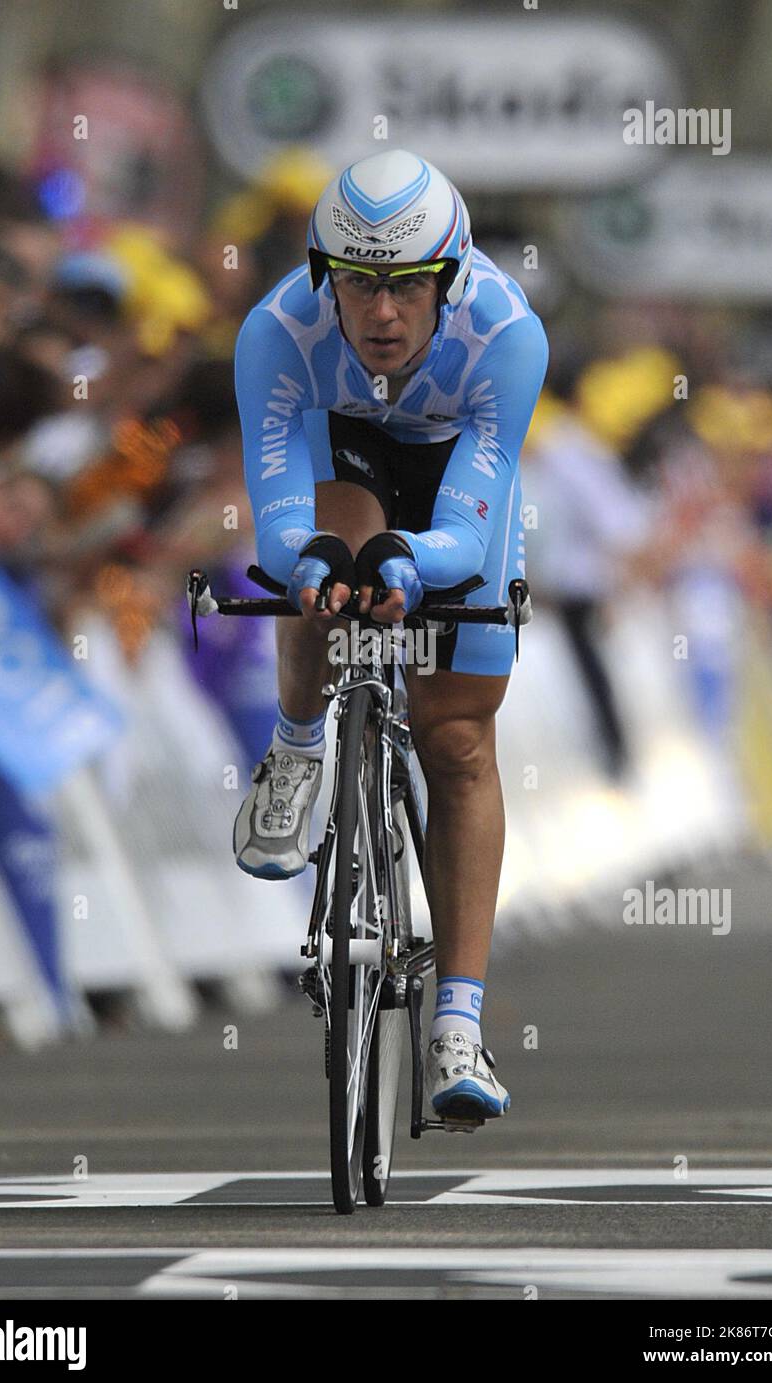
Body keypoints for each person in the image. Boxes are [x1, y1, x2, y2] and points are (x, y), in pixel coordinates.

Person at [232, 149, 548, 1122]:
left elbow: (465, 523)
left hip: (458, 478)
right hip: (347, 456)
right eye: (358, 285)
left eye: (406, 287)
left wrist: (418, 562)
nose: (379, 314)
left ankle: (457, 1021)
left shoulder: (505, 334)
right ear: (324, 277)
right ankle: (295, 749)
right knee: (325, 563)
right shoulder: (276, 333)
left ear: (446, 280)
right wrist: (321, 564)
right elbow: (282, 518)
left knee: (456, 743)